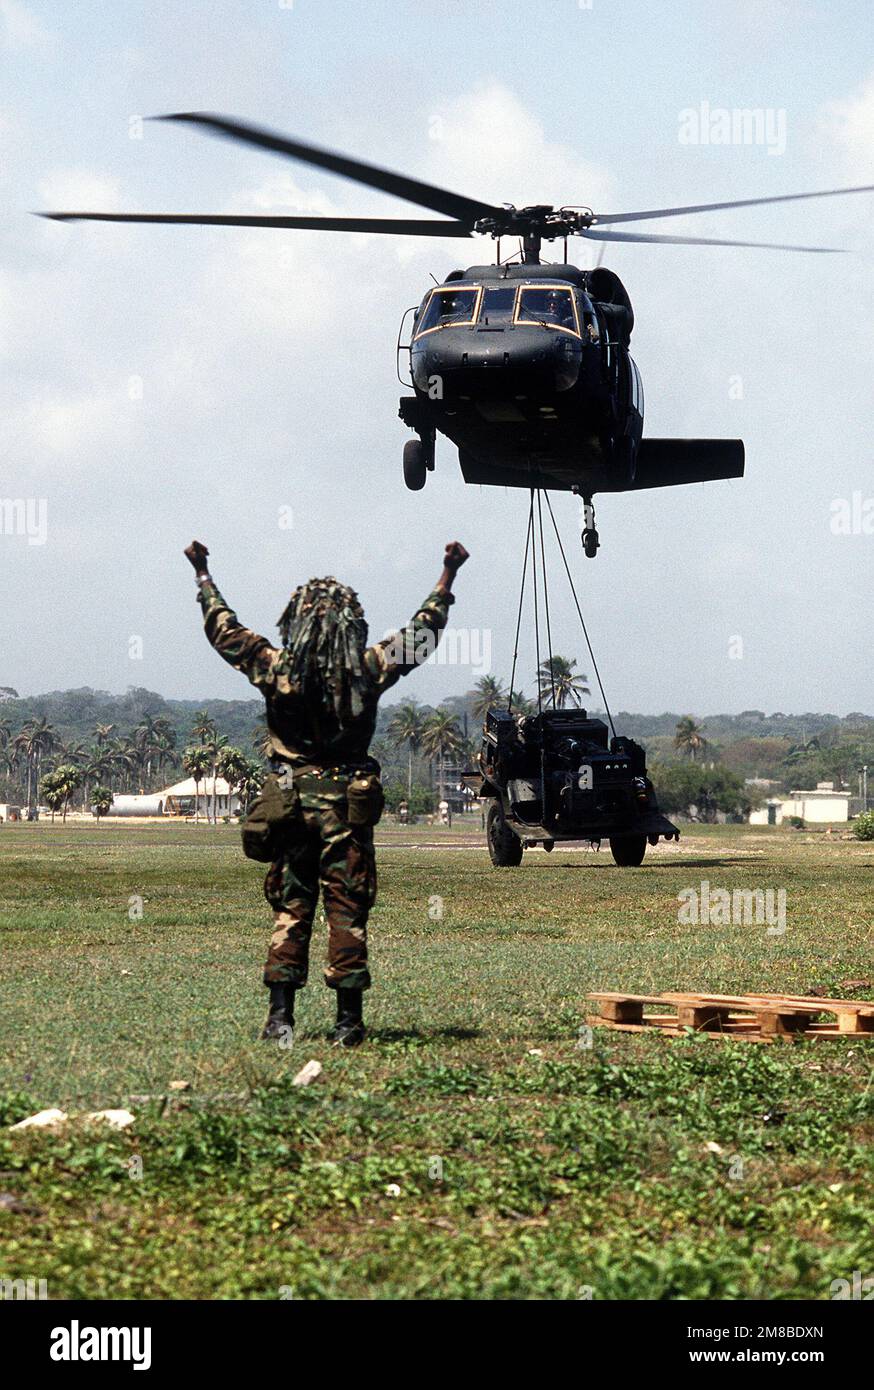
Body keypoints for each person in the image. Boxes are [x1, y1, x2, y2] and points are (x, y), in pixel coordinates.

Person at [184, 538, 469, 1046]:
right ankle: (348, 1024)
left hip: (290, 802)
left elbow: (224, 631)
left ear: (294, 624)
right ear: (351, 625)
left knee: (291, 908)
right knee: (347, 908)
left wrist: (203, 574)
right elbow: (422, 633)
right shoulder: (369, 669)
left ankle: (280, 1019)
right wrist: (448, 574)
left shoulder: (276, 668)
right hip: (347, 807)